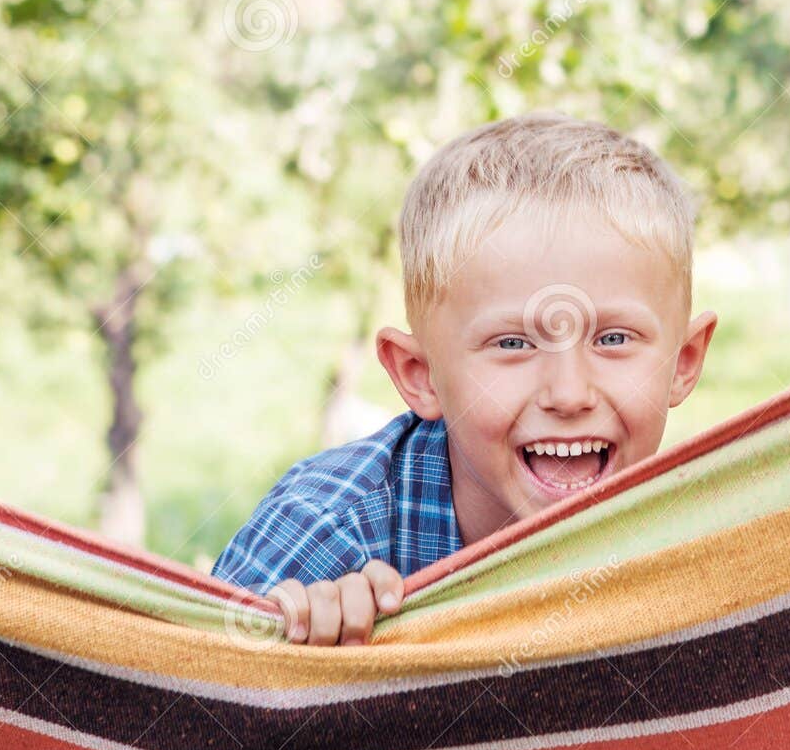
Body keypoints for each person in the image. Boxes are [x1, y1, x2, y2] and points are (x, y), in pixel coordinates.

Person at [213, 110, 718, 645]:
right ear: (421, 376)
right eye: (513, 344)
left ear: (683, 362)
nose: (569, 394)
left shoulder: (715, 541)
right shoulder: (328, 534)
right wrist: (298, 649)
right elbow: (194, 680)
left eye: (613, 339)